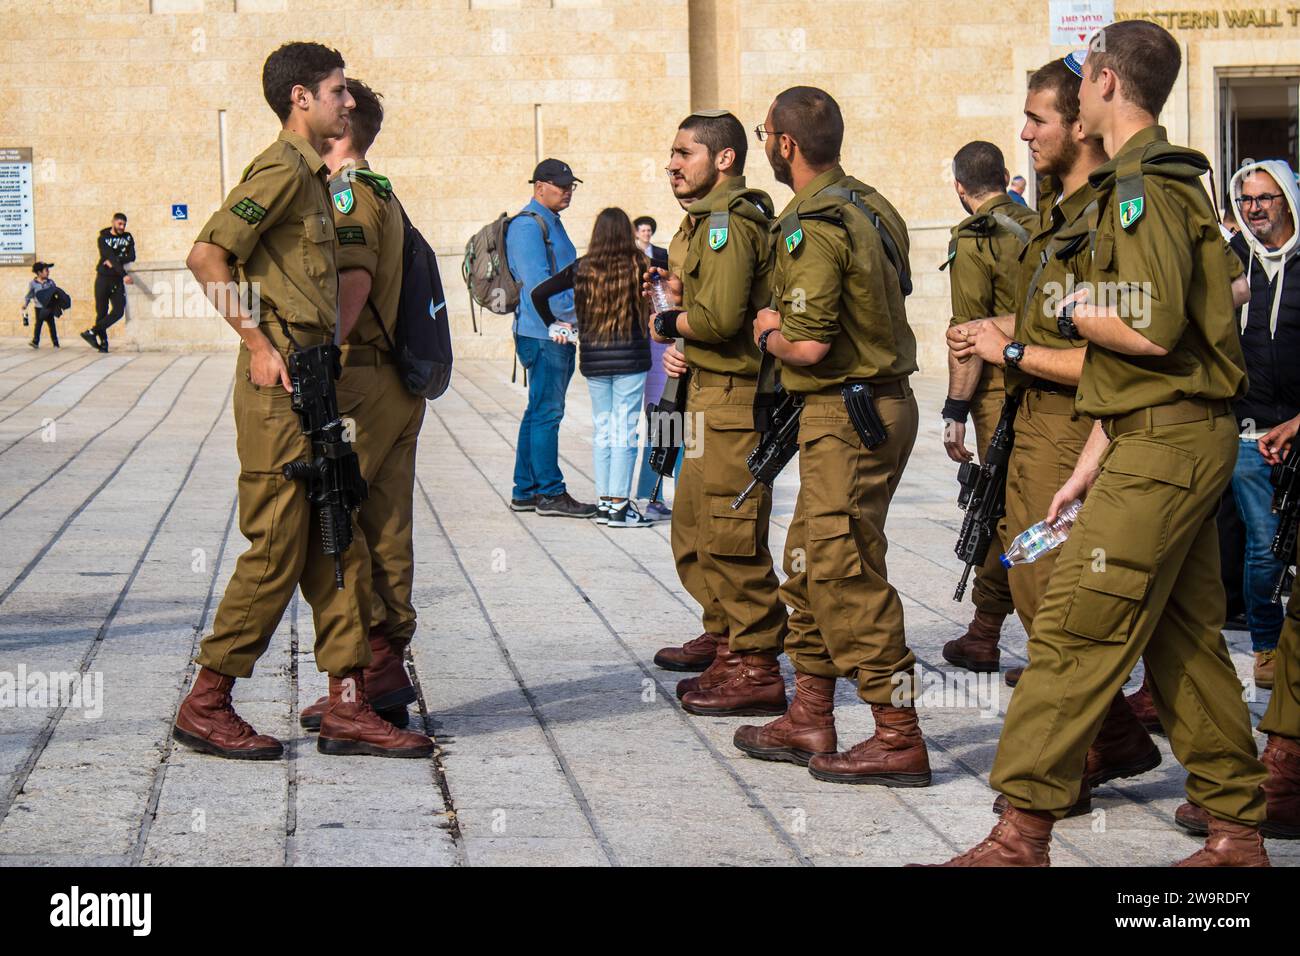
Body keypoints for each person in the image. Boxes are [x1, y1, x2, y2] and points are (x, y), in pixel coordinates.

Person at [926, 21, 1269, 867]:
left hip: (1168, 448)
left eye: (1081, 82)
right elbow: (1151, 371)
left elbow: (1149, 334)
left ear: (1108, 82)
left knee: (1077, 627)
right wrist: (1091, 462)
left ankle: (1020, 834)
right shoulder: (1141, 183)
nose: (1072, 99)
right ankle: (1236, 832)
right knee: (1184, 638)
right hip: (1153, 436)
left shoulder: (1139, 191)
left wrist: (1070, 312)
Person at [172, 42, 432, 761]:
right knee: (280, 544)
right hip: (279, 387)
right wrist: (256, 343)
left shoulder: (318, 178)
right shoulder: (281, 169)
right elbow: (207, 256)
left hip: (313, 383)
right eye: (338, 91)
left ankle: (351, 701)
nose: (348, 103)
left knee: (337, 538)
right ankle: (208, 699)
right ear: (302, 99)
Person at [947, 57, 1161, 810]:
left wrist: (1008, 350)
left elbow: (1124, 342)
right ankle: (1117, 738)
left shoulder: (1112, 209)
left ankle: (1059, 773)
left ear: (1079, 122)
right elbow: (1049, 319)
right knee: (1050, 599)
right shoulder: (1054, 216)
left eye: (1037, 118)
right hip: (1033, 424)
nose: (1024, 132)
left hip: (1074, 430)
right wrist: (993, 329)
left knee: (1052, 605)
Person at [737, 87, 926, 784]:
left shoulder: (810, 224)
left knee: (845, 572)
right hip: (872, 405)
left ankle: (898, 731)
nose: (767, 145)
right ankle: (810, 712)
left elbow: (809, 344)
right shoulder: (871, 204)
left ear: (784, 143)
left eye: (766, 135)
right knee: (809, 560)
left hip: (846, 413)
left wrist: (767, 330)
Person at [295, 79, 432, 733]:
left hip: (356, 382)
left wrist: (319, 355)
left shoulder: (347, 191)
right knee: (385, 528)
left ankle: (356, 683)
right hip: (395, 385)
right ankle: (383, 670)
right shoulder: (384, 193)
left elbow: (351, 283)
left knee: (337, 528)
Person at [646, 109, 790, 721]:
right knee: (693, 530)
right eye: (673, 153)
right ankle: (725, 632)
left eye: (686, 153)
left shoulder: (727, 224)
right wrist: (685, 340)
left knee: (730, 536)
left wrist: (667, 324)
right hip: (702, 392)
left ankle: (754, 662)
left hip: (733, 400)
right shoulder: (701, 224)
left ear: (724, 159)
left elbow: (721, 320)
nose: (673, 164)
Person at [939, 140, 1037, 673]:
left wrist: (954, 409)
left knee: (1007, 513)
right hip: (1047, 383)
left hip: (1000, 391)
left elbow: (968, 335)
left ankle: (1038, 642)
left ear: (960, 187)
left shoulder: (974, 237)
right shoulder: (1039, 223)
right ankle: (984, 631)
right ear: (1005, 176)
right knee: (1010, 509)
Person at [1222, 160, 1300, 689]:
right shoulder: (1231, 262)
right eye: (1247, 200)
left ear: (1288, 200)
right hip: (1249, 431)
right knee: (1264, 542)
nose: (1255, 209)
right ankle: (1268, 647)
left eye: (1265, 198)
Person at [531, 208, 656, 527]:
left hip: (594, 358)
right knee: (624, 431)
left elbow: (539, 293)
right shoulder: (640, 264)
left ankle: (604, 502)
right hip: (631, 358)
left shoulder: (583, 268)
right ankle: (620, 506)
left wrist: (555, 325)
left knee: (603, 428)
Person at [506, 158, 597, 519]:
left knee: (537, 411)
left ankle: (525, 491)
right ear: (539, 187)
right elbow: (538, 285)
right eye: (561, 186)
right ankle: (549, 492)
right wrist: (568, 322)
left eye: (571, 185)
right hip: (546, 334)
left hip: (547, 331)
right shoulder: (529, 227)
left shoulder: (550, 223)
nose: (567, 191)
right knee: (548, 412)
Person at [633, 214, 675, 518]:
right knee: (662, 427)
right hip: (656, 355)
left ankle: (650, 495)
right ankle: (652, 494)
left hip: (661, 351)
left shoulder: (662, 256)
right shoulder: (640, 271)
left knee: (667, 428)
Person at [81, 212, 135, 352]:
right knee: (101, 312)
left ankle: (92, 332)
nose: (122, 227)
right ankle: (104, 344)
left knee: (118, 310)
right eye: (120, 224)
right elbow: (109, 255)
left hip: (116, 280)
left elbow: (132, 256)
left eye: (124, 224)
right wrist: (123, 272)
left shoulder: (127, 237)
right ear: (113, 222)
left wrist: (116, 261)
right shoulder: (103, 238)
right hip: (103, 279)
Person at [23, 261, 62, 349]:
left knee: (52, 325)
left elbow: (55, 292)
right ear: (39, 273)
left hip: (49, 307)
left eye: (48, 270)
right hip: (39, 308)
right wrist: (26, 304)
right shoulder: (33, 284)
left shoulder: (50, 282)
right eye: (46, 270)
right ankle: (35, 341)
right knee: (38, 324)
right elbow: (29, 295)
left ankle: (55, 343)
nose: (48, 272)